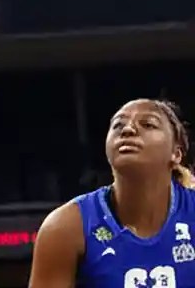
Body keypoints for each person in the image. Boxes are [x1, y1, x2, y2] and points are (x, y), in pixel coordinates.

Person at [28, 98, 195, 288]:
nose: (128, 130)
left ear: (176, 153)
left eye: (148, 124)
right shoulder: (66, 226)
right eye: (118, 125)